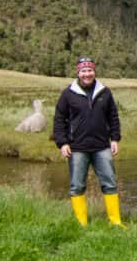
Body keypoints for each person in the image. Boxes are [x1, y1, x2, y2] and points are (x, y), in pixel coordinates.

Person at [53, 57, 123, 226]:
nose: (87, 74)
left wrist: (114, 138)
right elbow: (59, 120)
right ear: (78, 73)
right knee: (77, 186)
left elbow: (113, 117)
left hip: (102, 147)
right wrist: (62, 143)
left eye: (90, 70)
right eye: (83, 71)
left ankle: (115, 222)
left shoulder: (105, 92)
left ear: (94, 72)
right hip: (77, 148)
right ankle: (81, 223)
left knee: (110, 183)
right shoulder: (68, 94)